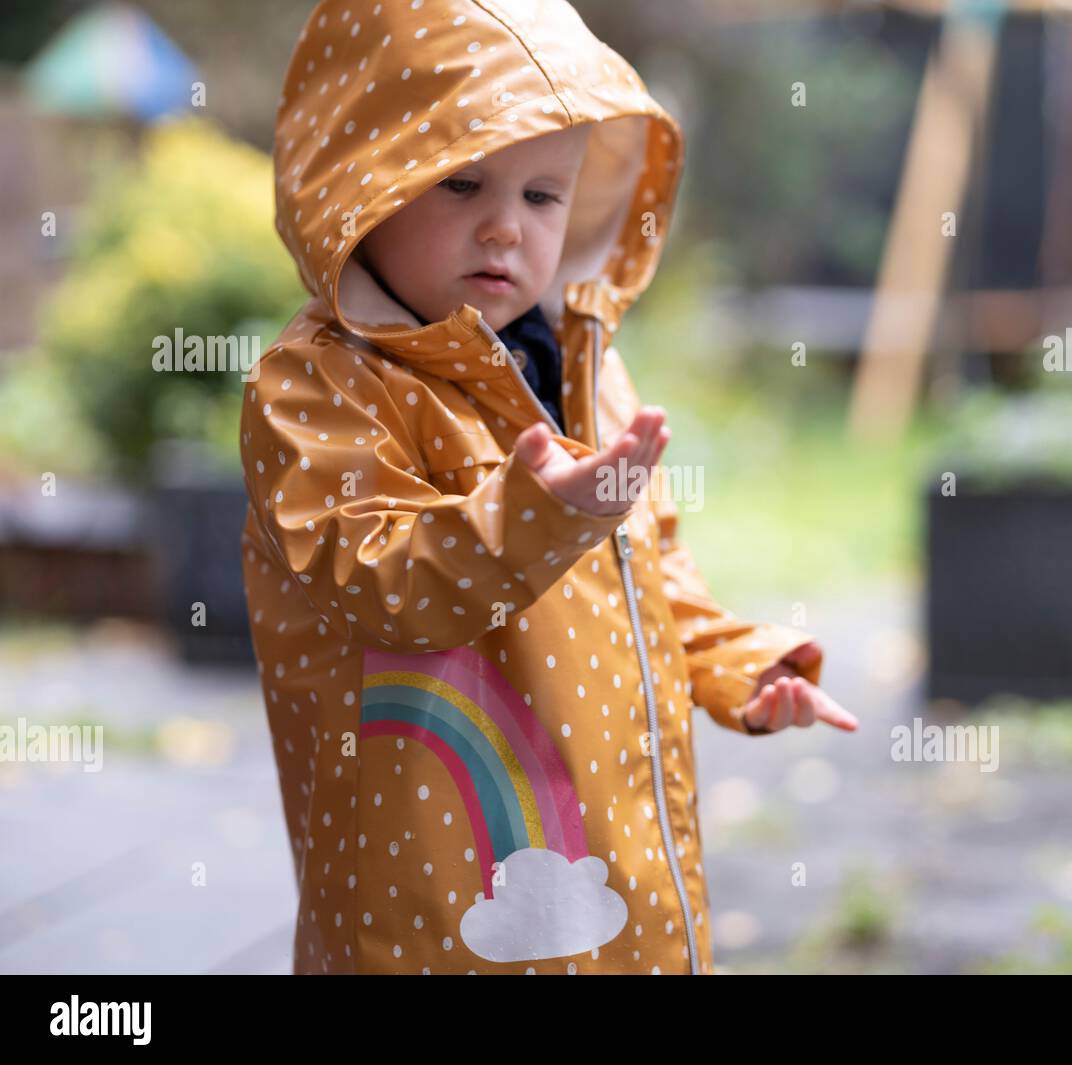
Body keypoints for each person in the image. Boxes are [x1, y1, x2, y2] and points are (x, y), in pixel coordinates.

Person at [240, 0, 857, 975]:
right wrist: (538, 514)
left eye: (542, 196)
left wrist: (742, 663)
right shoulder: (323, 383)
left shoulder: (580, 364)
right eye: (461, 181)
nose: (504, 227)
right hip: (439, 888)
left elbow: (650, 566)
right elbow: (376, 577)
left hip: (615, 856)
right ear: (362, 181)